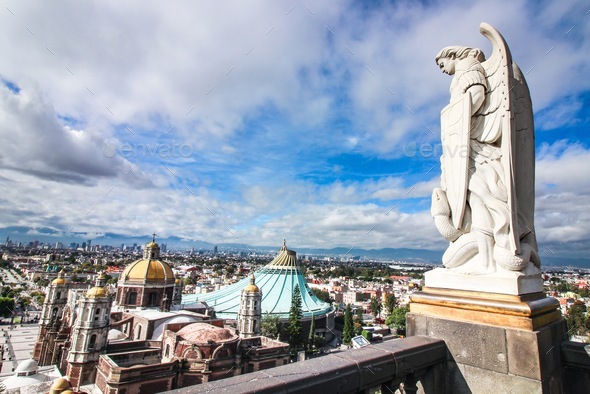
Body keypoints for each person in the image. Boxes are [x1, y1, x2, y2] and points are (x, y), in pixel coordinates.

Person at [431, 24, 539, 274]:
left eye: (442, 63)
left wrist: (461, 123)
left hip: (477, 149)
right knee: (479, 201)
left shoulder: (469, 70)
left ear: (453, 55)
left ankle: (490, 260)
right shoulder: (462, 75)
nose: (442, 68)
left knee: (483, 198)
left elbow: (476, 97)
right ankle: (487, 257)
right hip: (470, 147)